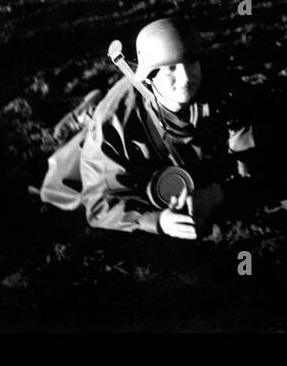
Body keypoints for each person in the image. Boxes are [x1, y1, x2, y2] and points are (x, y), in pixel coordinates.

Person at [79, 19, 255, 239]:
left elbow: (255, 156)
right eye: (171, 68)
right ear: (149, 75)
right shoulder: (113, 120)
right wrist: (156, 220)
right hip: (129, 151)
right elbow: (99, 202)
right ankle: (84, 112)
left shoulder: (226, 89)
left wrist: (214, 194)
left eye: (190, 62)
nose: (186, 78)